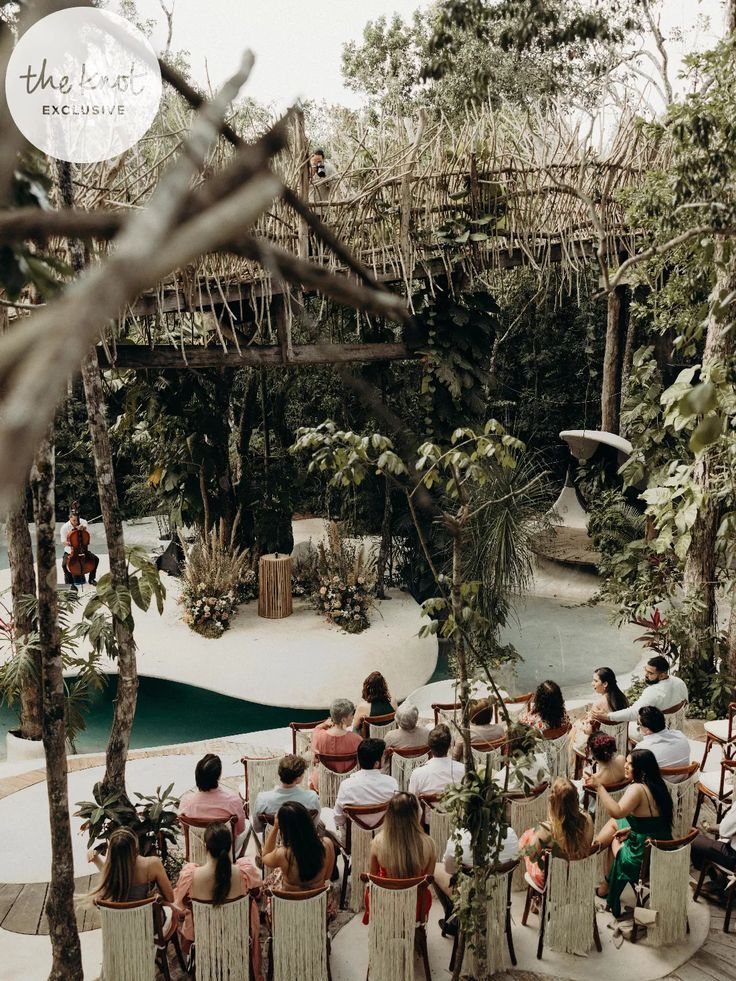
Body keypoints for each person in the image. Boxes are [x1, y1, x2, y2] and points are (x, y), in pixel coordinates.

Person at [174, 822, 262, 976]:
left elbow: (180, 906)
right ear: (230, 846)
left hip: (205, 939)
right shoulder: (243, 872)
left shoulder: (191, 876)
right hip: (237, 936)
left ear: (205, 847)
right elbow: (257, 893)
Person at [594, 748, 673, 917]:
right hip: (663, 851)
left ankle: (595, 861)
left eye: (630, 764)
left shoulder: (637, 789)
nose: (625, 767)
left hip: (642, 858)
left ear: (642, 770)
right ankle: (603, 879)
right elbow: (653, 822)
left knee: (614, 838)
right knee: (617, 826)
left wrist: (599, 788)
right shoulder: (659, 786)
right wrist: (631, 830)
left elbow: (616, 811)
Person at [363, 792, 436, 925]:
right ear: (415, 815)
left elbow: (373, 880)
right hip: (416, 907)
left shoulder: (378, 842)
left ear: (389, 816)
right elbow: (428, 880)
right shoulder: (429, 844)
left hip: (385, 905)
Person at [518, 777, 594, 890]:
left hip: (552, 881)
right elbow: (587, 845)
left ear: (552, 802)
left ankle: (537, 899)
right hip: (577, 875)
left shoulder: (547, 830)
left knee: (527, 837)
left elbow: (532, 857)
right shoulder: (587, 820)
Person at [261, 801, 335, 908]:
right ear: (308, 821)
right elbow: (327, 876)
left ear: (285, 829)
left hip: (289, 907)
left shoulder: (282, 853)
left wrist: (275, 827)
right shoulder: (327, 844)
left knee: (272, 878)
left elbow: (265, 856)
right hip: (318, 905)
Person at [591, 656, 688, 727]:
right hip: (674, 727)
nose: (646, 675)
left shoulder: (653, 692)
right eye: (646, 670)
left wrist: (608, 716)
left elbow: (634, 713)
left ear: (662, 675)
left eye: (650, 673)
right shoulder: (679, 682)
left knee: (626, 725)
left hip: (655, 730)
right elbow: (686, 705)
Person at [87, 826, 175, 904]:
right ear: (135, 845)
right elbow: (170, 898)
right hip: (147, 920)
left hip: (119, 920)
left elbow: (107, 875)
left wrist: (97, 861)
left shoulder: (113, 871)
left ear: (111, 851)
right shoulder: (152, 864)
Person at [179, 754, 246, 849]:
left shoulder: (187, 802)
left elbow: (184, 831)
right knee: (248, 824)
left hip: (198, 852)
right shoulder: (232, 801)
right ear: (218, 776)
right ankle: (235, 859)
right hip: (225, 853)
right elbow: (240, 830)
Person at [333, 738, 398, 832]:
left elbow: (338, 820)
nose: (385, 758)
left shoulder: (346, 785)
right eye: (383, 756)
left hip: (355, 839)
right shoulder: (392, 783)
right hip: (385, 835)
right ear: (376, 764)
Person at [252, 754, 320, 834]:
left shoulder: (262, 799)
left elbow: (257, 829)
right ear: (298, 777)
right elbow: (314, 825)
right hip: (302, 841)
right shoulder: (311, 797)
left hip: (273, 843)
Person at [310, 698, 363, 790]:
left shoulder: (318, 736)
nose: (353, 717)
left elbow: (316, 729)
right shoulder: (357, 739)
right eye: (351, 715)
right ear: (343, 720)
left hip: (324, 783)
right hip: (348, 782)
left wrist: (325, 724)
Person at [573, 667, 630, 746]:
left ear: (605, 684)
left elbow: (589, 731)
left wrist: (580, 726)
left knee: (575, 727)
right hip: (621, 742)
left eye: (595, 681)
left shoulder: (598, 704)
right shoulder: (623, 699)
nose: (592, 683)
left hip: (603, 746)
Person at [692, 801, 736, 899]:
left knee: (693, 840)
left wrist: (709, 827)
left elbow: (724, 830)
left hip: (733, 858)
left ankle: (717, 881)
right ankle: (719, 879)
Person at [408, 724, 464, 800]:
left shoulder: (417, 774)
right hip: (457, 811)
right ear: (450, 746)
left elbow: (412, 804)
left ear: (429, 746)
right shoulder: (463, 770)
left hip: (429, 812)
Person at [636, 705, 691, 779]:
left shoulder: (642, 749)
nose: (638, 726)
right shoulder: (680, 735)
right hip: (683, 782)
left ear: (648, 729)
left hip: (660, 788)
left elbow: (633, 771)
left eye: (638, 724)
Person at [60, 503, 99, 587]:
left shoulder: (82, 521)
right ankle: (70, 584)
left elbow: (84, 526)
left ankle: (91, 579)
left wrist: (83, 527)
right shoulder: (64, 527)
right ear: (69, 518)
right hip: (71, 551)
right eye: (74, 520)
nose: (76, 522)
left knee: (96, 559)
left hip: (82, 550)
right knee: (64, 565)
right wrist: (71, 543)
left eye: (77, 520)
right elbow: (63, 541)